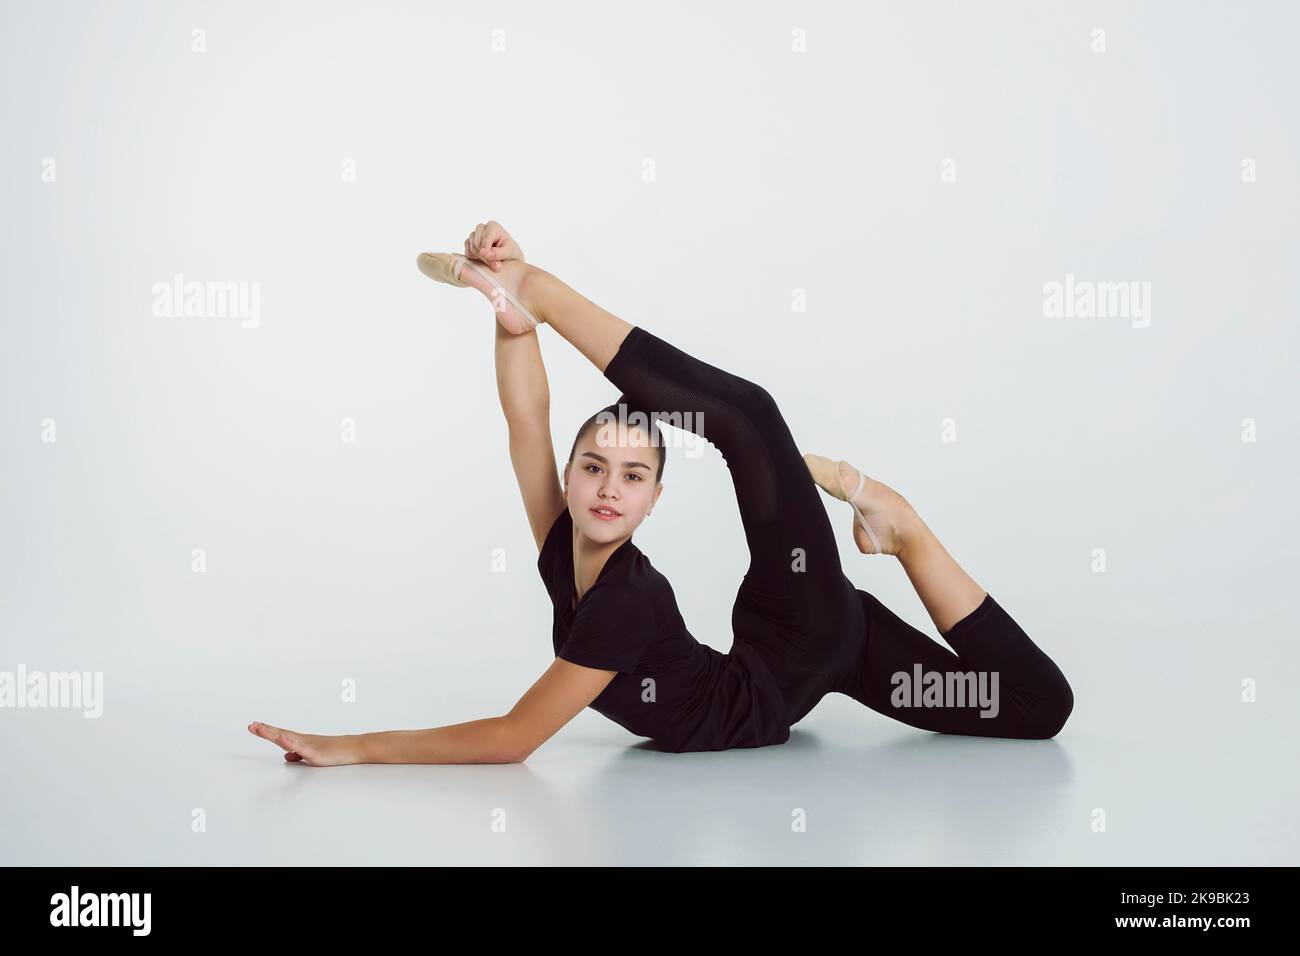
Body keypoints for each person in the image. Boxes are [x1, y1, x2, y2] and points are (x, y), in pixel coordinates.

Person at [248, 221, 1073, 765]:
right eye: (595, 469)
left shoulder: (625, 601)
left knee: (747, 416)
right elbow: (526, 421)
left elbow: (513, 738)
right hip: (808, 659)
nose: (610, 489)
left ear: (655, 502)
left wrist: (352, 746)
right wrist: (508, 323)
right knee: (1040, 708)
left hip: (807, 628)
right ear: (569, 482)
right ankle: (902, 527)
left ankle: (901, 524)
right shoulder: (561, 544)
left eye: (634, 475)